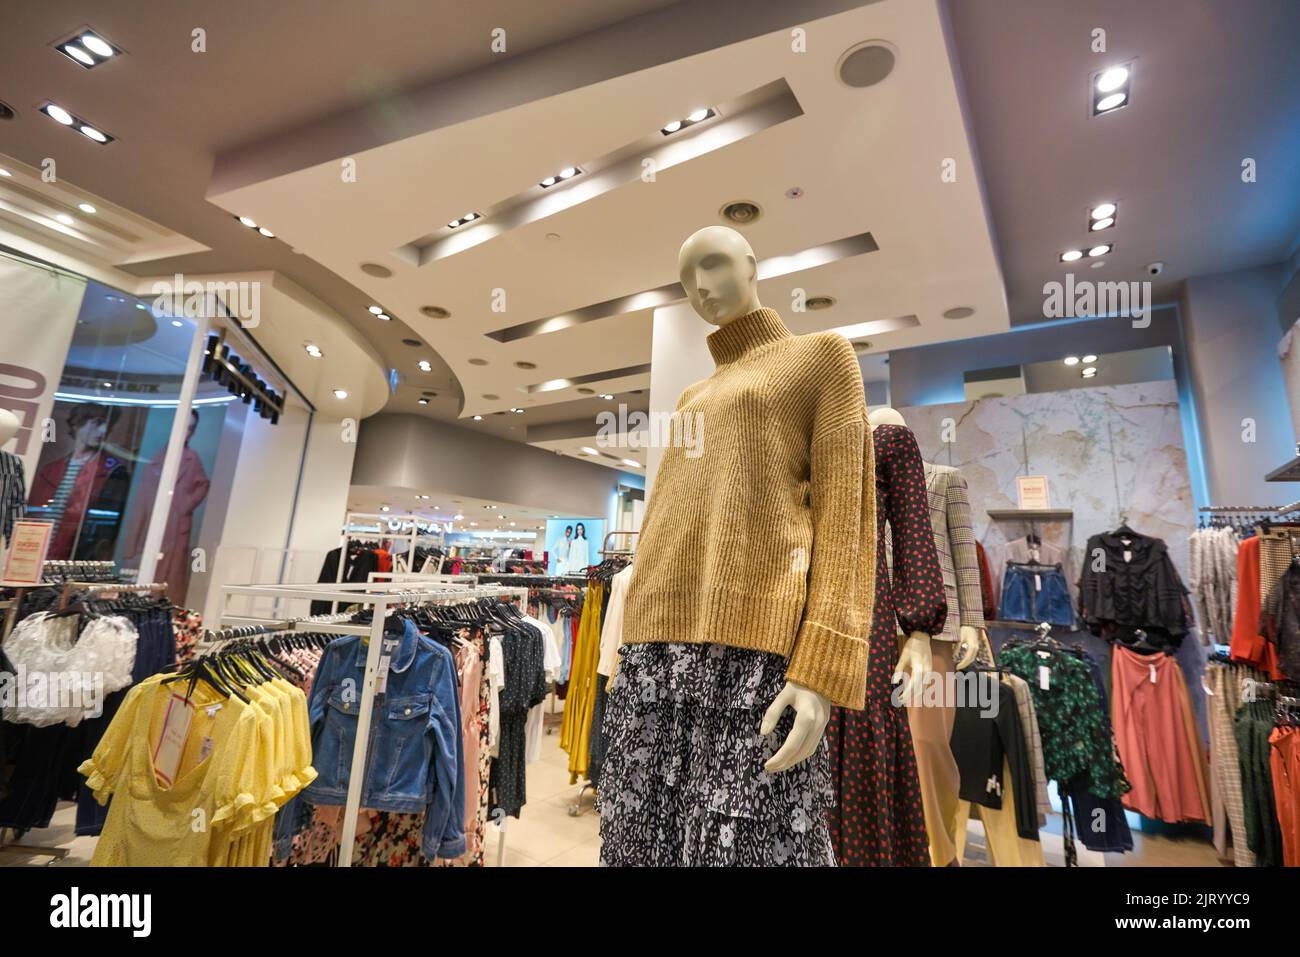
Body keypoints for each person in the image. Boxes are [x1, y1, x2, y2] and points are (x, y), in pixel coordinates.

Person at [123, 410, 211, 604]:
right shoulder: (154, 459)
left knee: (171, 583)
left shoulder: (192, 458)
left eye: (190, 428)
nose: (185, 432)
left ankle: (167, 621)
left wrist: (184, 506)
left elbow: (203, 485)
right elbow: (140, 505)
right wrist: (129, 550)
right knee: (145, 580)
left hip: (176, 530)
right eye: (183, 426)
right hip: (153, 530)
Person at [30, 403, 130, 560]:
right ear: (77, 424)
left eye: (107, 425)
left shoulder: (114, 472)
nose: (103, 431)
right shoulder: (50, 470)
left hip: (74, 558)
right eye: (97, 423)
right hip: (35, 553)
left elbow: (105, 529)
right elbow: (33, 515)